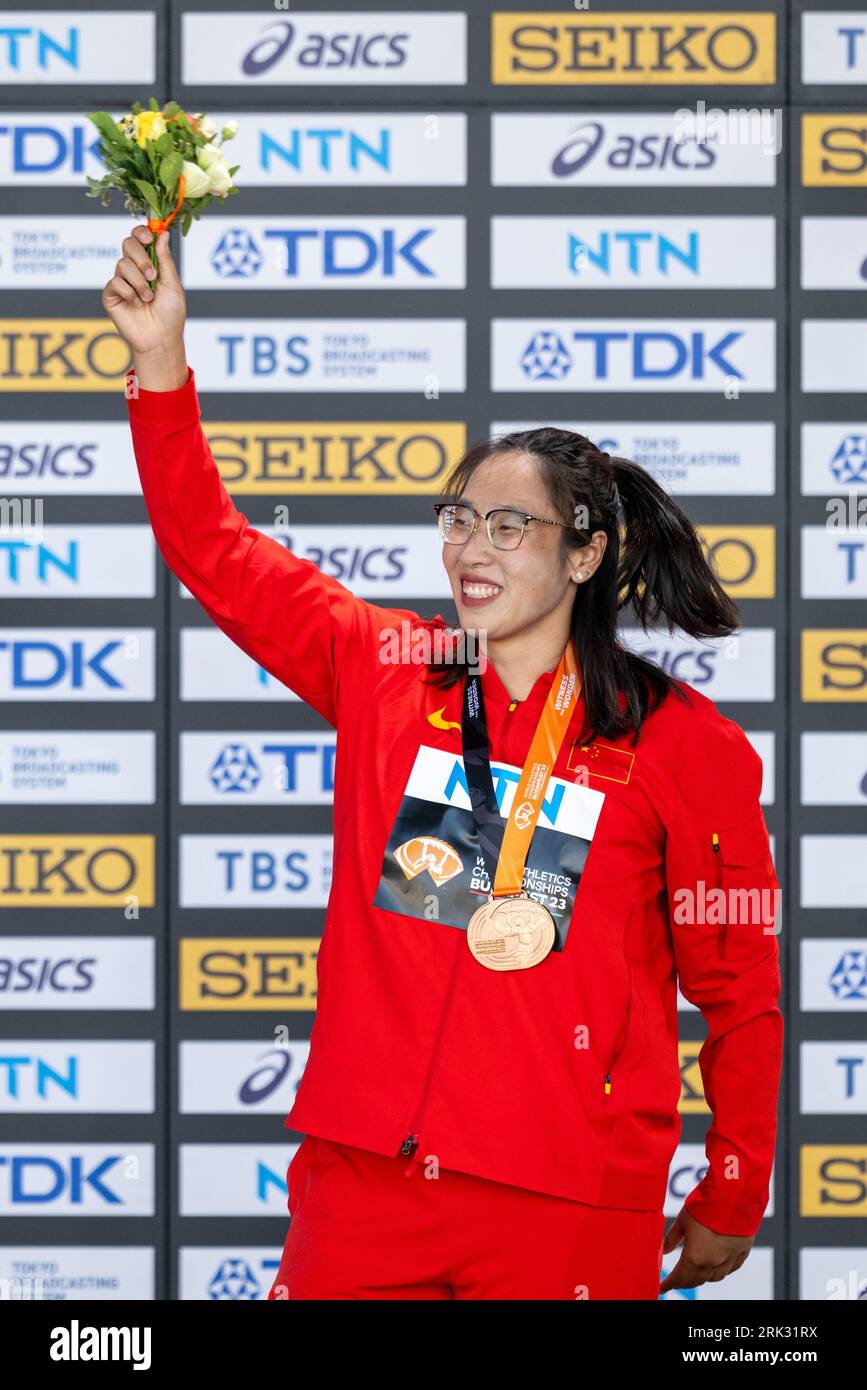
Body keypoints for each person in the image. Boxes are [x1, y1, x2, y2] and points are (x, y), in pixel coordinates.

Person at [103, 226, 783, 1302]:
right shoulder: (389, 668)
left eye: (510, 526)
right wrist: (159, 361)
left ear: (587, 551)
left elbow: (739, 989)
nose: (471, 548)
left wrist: (734, 1186)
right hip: (369, 1182)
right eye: (458, 518)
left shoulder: (685, 746)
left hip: (568, 1203)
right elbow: (215, 547)